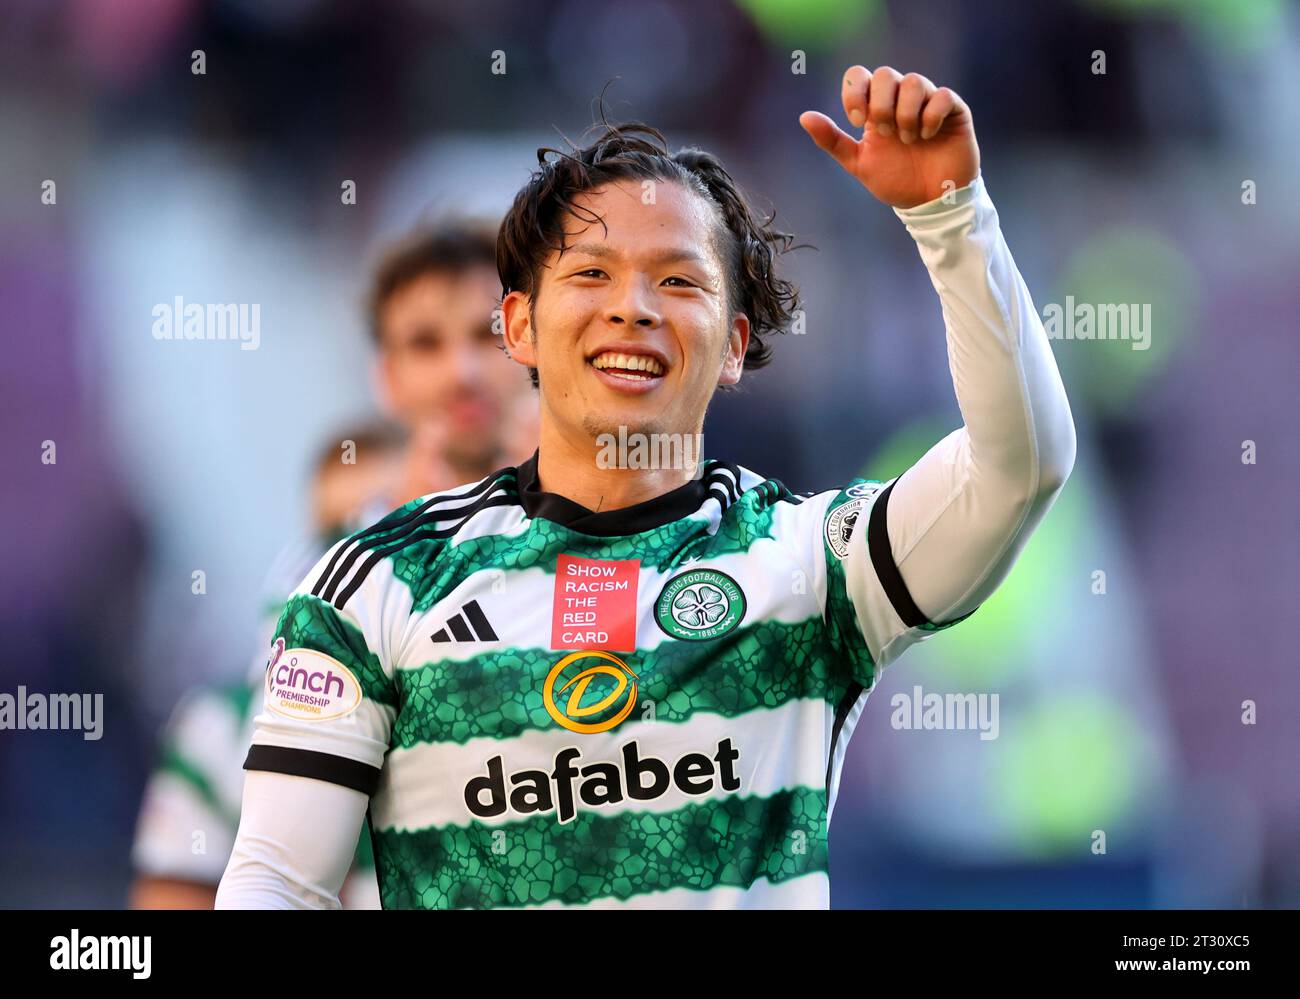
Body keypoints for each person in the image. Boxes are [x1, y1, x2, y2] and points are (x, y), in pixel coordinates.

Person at [216, 66, 1076, 909]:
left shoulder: (811, 565)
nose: (632, 306)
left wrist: (951, 218)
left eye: (678, 279)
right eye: (591, 272)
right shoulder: (374, 582)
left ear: (735, 344)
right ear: (518, 324)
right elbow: (277, 883)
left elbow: (1018, 466)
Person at [132, 221, 535, 908]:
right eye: (425, 343)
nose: (462, 370)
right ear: (386, 377)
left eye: (486, 335)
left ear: (532, 343)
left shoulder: (609, 540)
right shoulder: (326, 573)